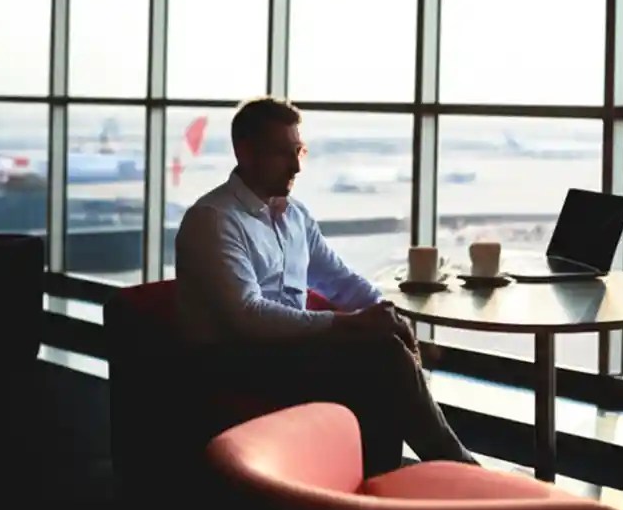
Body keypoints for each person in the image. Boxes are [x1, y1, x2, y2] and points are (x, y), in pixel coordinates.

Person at [175, 96, 476, 476]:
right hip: (232, 358)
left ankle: (380, 482)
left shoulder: (294, 216)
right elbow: (246, 317)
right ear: (245, 152)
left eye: (299, 150)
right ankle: (455, 468)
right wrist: (351, 325)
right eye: (284, 153)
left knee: (384, 349)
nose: (298, 165)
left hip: (287, 352)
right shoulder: (214, 220)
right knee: (380, 358)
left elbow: (341, 281)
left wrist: (389, 316)